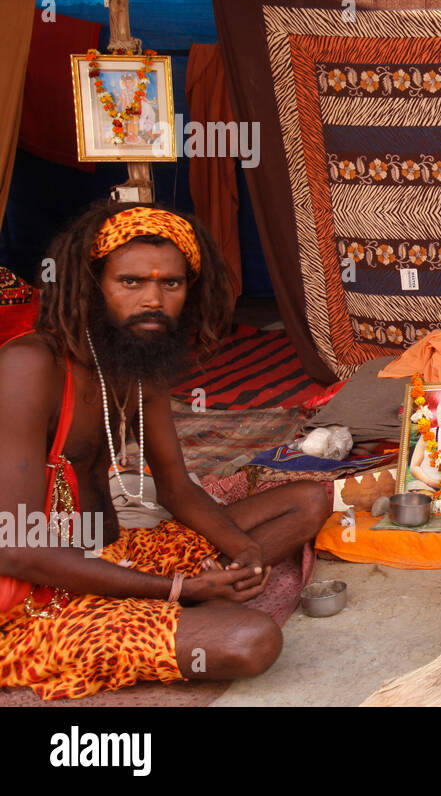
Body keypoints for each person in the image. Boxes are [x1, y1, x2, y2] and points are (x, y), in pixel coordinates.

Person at [0, 202, 331, 699]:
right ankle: (186, 610)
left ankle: (190, 603)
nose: (153, 299)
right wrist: (180, 590)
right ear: (92, 285)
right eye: (130, 282)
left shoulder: (135, 359)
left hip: (111, 558)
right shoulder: (30, 366)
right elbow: (16, 548)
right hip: (37, 603)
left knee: (307, 499)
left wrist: (244, 553)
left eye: (170, 284)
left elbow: (177, 487)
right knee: (251, 640)